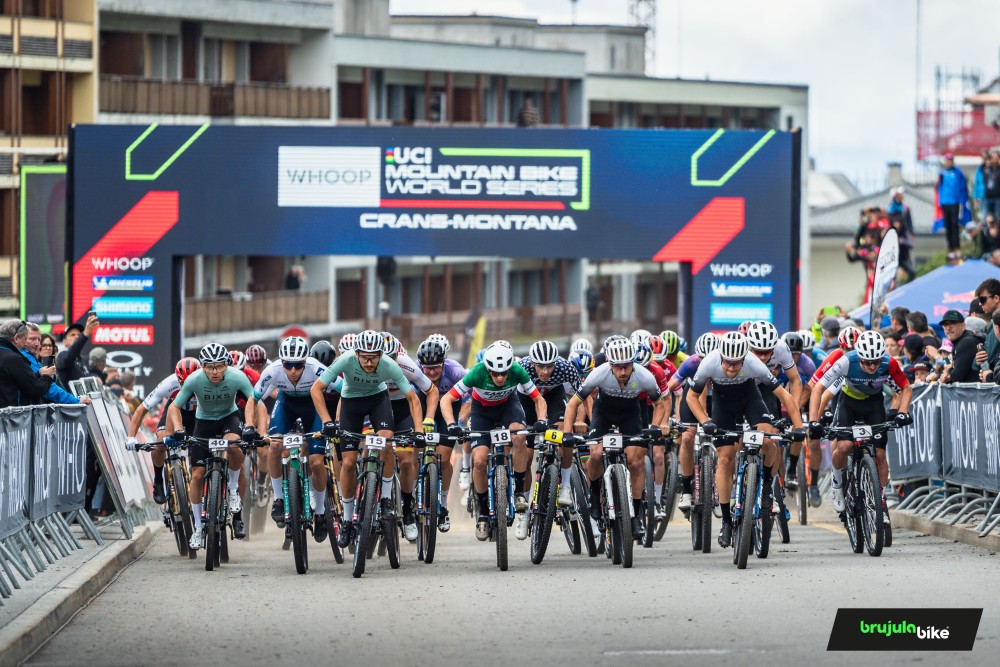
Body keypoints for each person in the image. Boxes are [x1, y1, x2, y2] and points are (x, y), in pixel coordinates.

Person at [686, 332, 805, 548]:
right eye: (728, 364)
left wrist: (798, 427)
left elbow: (785, 396)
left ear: (744, 358)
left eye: (736, 364)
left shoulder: (754, 364)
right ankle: (726, 521)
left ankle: (767, 488)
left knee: (769, 441)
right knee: (724, 459)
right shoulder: (709, 363)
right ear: (720, 357)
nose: (732, 368)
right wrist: (705, 421)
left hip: (750, 399)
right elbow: (691, 397)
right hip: (723, 404)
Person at [311, 330, 424, 550]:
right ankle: (347, 520)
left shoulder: (389, 365)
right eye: (365, 357)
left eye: (374, 357)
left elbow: (412, 398)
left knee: (386, 443)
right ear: (356, 354)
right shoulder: (345, 360)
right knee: (349, 463)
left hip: (378, 401)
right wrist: (326, 421)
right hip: (351, 404)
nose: (370, 362)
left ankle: (386, 499)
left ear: (381, 354)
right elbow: (317, 389)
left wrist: (419, 430)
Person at [439, 340, 546, 542]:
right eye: (494, 373)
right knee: (479, 461)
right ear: (487, 369)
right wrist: (452, 423)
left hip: (508, 407)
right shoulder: (476, 373)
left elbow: (538, 399)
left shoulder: (517, 370)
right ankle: (482, 513)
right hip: (482, 412)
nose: (499, 377)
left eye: (503, 373)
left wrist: (541, 419)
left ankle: (519, 492)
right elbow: (447, 399)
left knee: (519, 437)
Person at [167, 343, 256, 548]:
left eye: (219, 366)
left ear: (227, 365)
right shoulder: (194, 380)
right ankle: (198, 527)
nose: (215, 371)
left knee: (233, 446)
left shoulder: (237, 377)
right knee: (197, 475)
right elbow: (174, 406)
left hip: (229, 418)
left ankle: (233, 490)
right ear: (203, 367)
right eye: (210, 367)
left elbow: (253, 399)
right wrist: (179, 428)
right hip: (203, 423)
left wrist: (250, 425)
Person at [0, 319, 56, 408]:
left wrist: (38, 373)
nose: (25, 344)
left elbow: (21, 380)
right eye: (25, 339)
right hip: (14, 418)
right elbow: (36, 389)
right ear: (16, 338)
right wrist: (47, 376)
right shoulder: (14, 358)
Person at [936, 152, 970, 256]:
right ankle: (950, 247)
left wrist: (963, 200)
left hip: (955, 202)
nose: (949, 162)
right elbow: (938, 187)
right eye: (947, 160)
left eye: (950, 160)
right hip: (945, 202)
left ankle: (957, 247)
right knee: (948, 225)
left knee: (955, 224)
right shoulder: (942, 173)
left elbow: (963, 186)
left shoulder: (957, 172)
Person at [57, 314, 99, 387]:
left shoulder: (82, 359)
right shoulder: (61, 356)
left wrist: (96, 378)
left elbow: (90, 373)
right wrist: (84, 335)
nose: (76, 336)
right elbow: (68, 357)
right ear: (64, 341)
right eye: (72, 335)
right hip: (71, 397)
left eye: (79, 335)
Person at [938, 310, 980, 383]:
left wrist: (949, 371)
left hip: (974, 392)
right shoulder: (960, 342)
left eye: (952, 323)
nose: (948, 328)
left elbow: (956, 376)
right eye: (945, 325)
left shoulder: (966, 342)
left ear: (963, 326)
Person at [886, 187, 917, 281]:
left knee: (910, 270)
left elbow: (909, 222)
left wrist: (911, 233)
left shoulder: (905, 209)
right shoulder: (890, 209)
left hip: (903, 243)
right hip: (894, 242)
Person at [975, 278, 1000, 371]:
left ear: (996, 298)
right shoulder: (991, 323)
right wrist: (978, 360)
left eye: (982, 299)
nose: (980, 304)